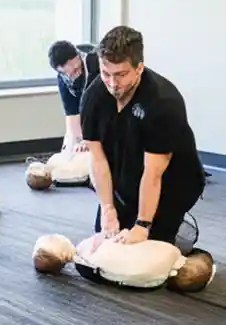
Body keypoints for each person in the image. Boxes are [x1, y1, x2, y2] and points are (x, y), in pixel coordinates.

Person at [80, 26, 206, 247]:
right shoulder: (93, 97)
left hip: (172, 182)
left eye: (120, 75)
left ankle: (167, 228)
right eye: (106, 73)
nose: (112, 83)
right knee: (106, 241)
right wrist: (108, 208)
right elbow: (97, 159)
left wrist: (142, 226)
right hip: (125, 176)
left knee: (147, 247)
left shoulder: (163, 101)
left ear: (139, 69)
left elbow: (154, 172)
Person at [48, 40, 99, 152]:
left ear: (78, 56)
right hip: (84, 113)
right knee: (70, 149)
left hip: (106, 108)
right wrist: (77, 140)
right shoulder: (63, 79)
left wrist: (88, 139)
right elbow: (72, 114)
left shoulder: (96, 63)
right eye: (69, 74)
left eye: (76, 70)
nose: (74, 76)